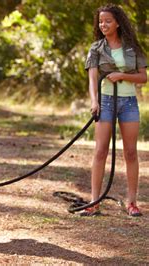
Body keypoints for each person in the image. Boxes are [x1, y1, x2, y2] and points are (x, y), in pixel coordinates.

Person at [82, 4, 147, 217]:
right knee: (100, 150)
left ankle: (132, 202)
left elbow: (143, 78)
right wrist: (94, 101)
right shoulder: (96, 48)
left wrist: (121, 76)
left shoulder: (132, 48)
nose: (103, 25)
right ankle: (94, 201)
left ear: (118, 23)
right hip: (106, 101)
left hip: (128, 102)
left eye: (108, 21)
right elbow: (92, 79)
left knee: (130, 152)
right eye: (101, 21)